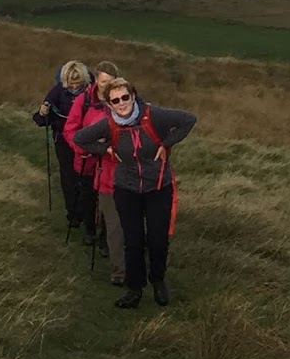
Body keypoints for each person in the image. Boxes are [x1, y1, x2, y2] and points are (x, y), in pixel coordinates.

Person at [67, 77, 196, 309]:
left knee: (158, 240)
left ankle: (158, 281)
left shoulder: (153, 115)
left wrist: (165, 144)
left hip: (158, 187)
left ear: (133, 96)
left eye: (125, 97)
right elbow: (79, 138)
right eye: (115, 100)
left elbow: (188, 120)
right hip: (126, 189)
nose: (121, 103)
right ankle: (134, 289)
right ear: (109, 104)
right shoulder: (108, 124)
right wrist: (105, 149)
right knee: (133, 241)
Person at [64, 61, 126, 284]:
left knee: (107, 205)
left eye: (109, 83)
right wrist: (83, 147)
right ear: (96, 80)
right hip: (87, 160)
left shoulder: (119, 100)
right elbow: (70, 128)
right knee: (89, 198)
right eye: (102, 82)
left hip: (109, 163)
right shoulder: (84, 100)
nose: (105, 86)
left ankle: (104, 240)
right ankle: (90, 230)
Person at [33, 61, 92, 236]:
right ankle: (73, 214)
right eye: (71, 84)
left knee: (85, 178)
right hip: (63, 142)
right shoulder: (57, 92)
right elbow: (40, 120)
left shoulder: (90, 93)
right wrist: (43, 113)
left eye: (78, 84)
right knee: (68, 177)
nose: (74, 87)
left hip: (85, 140)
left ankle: (87, 213)